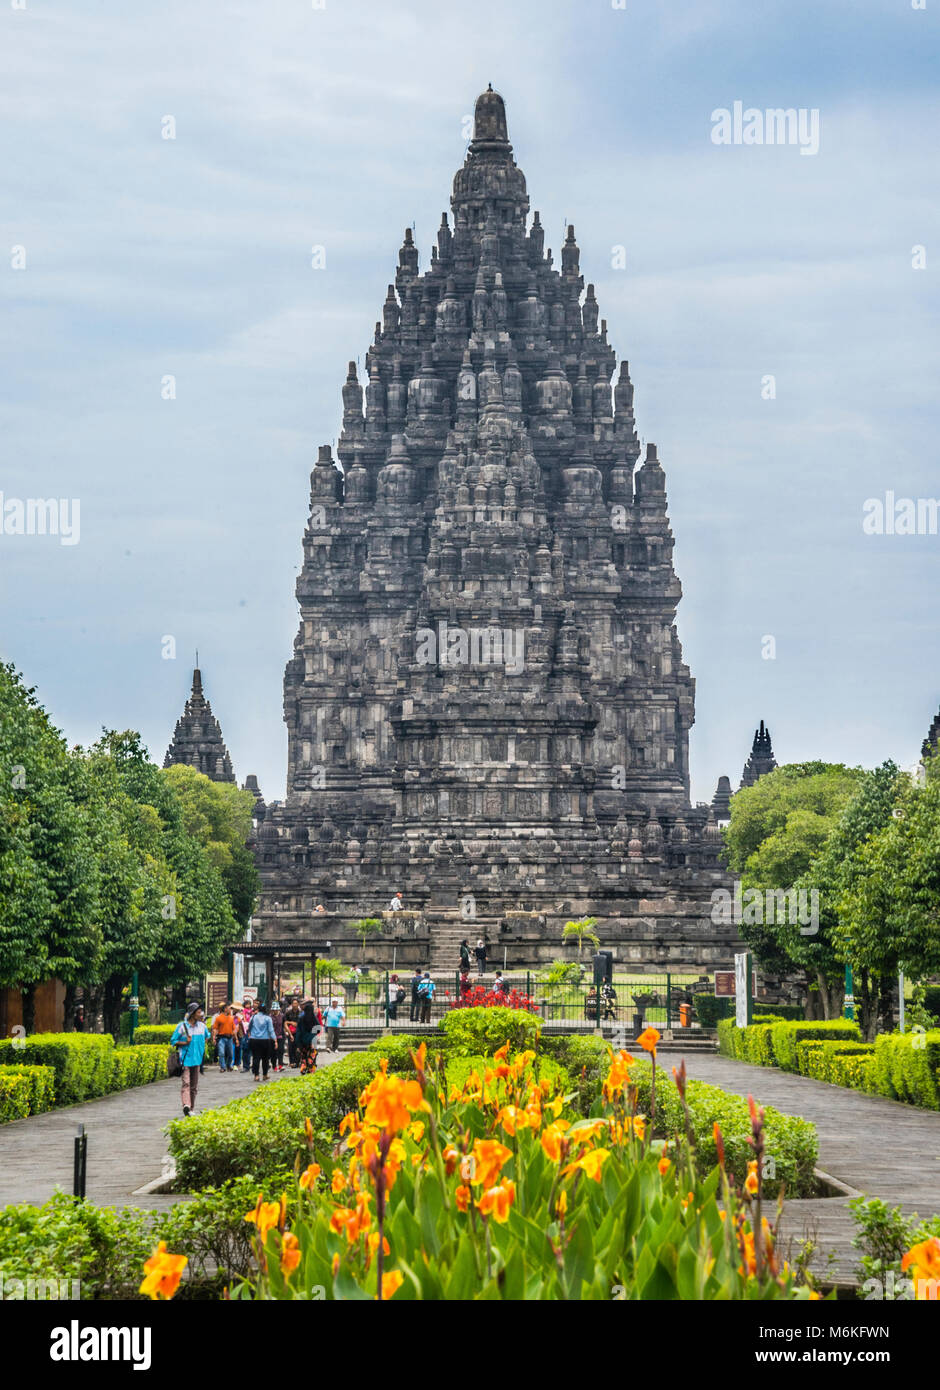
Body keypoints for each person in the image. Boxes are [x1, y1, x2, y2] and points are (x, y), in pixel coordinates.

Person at [171, 1002, 209, 1116]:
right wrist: (184, 1042)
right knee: (186, 1083)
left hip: (197, 1060)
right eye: (198, 1012)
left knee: (194, 1086)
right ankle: (186, 1105)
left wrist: (200, 1048)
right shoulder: (182, 1026)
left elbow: (207, 1037)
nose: (201, 1014)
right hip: (185, 1060)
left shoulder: (202, 1026)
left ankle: (191, 1108)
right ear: (192, 1014)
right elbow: (173, 1041)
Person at [247, 1001, 277, 1081]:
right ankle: (265, 1075)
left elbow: (249, 1027)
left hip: (254, 1040)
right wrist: (275, 1040)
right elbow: (271, 1030)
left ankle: (256, 1076)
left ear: (258, 1009)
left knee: (256, 1058)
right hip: (265, 1040)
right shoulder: (268, 1018)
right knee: (265, 1059)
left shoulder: (253, 1017)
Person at [212, 1002, 237, 1073]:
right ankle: (223, 1067)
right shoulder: (218, 1018)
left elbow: (234, 1029)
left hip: (230, 1038)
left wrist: (236, 1039)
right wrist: (214, 1038)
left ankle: (228, 1065)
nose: (230, 1010)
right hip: (221, 1038)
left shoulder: (231, 1018)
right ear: (225, 1009)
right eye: (229, 1008)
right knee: (221, 1053)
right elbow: (215, 1029)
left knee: (231, 1054)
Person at [295, 1001, 320, 1074]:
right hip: (313, 1041)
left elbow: (298, 1031)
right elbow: (318, 1028)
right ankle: (311, 1070)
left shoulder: (301, 1018)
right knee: (312, 1056)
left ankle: (304, 1068)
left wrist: (298, 1043)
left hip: (303, 1041)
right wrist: (313, 1034)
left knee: (304, 1056)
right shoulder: (314, 1018)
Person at [284, 998, 300, 1067]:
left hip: (298, 1032)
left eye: (296, 1003)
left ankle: (297, 1061)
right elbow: (285, 1023)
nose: (294, 1005)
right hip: (291, 1032)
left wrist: (297, 1024)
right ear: (291, 1004)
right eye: (293, 1003)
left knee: (298, 1047)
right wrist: (291, 1023)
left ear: (298, 1004)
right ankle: (291, 1062)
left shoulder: (301, 1013)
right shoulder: (288, 1013)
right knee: (291, 1047)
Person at [271, 1001, 285, 1072]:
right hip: (272, 1037)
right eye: (274, 1010)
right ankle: (274, 1066)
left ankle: (280, 1065)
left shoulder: (282, 1016)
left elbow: (284, 1025)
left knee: (281, 1050)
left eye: (276, 1009)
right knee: (274, 1052)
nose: (275, 1011)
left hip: (280, 1036)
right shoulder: (270, 1017)